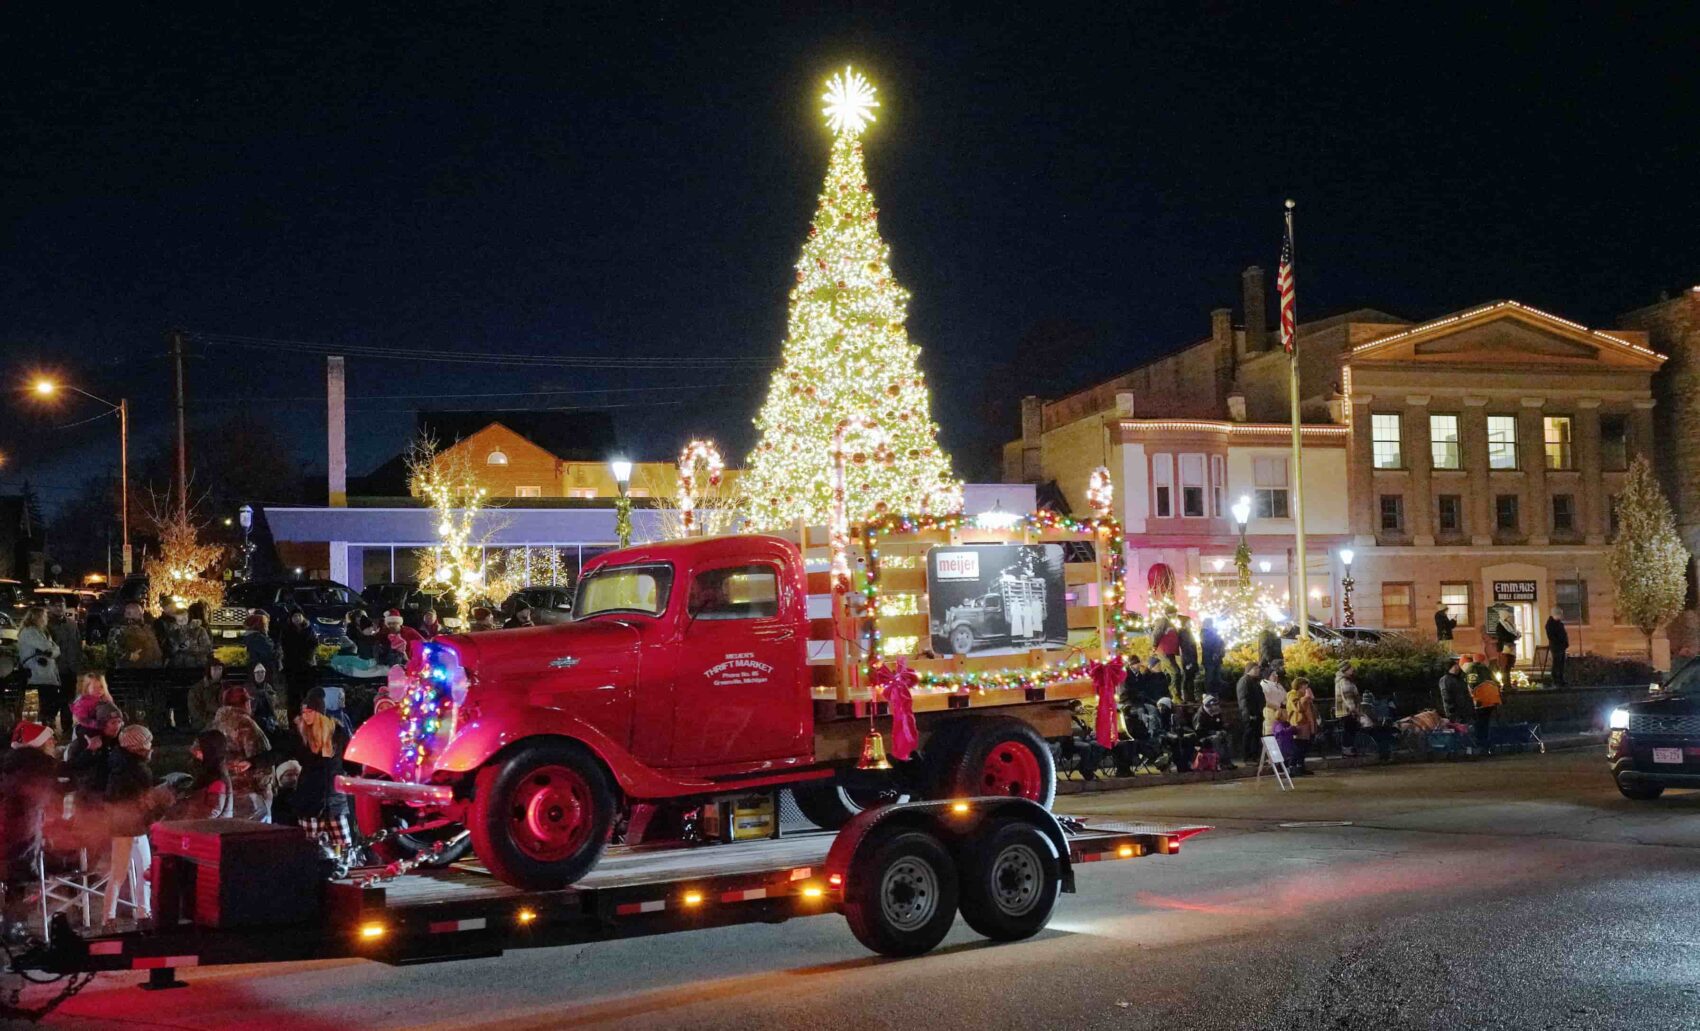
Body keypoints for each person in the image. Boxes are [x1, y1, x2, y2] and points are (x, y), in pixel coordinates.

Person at [103, 724, 169, 924]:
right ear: (138, 747)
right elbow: (145, 801)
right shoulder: (138, 770)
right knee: (131, 872)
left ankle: (125, 914)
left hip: (123, 827)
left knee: (125, 872)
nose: (151, 747)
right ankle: (117, 917)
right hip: (131, 827)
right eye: (148, 743)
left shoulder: (120, 765)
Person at [2, 721, 60, 938]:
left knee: (14, 878)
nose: (54, 742)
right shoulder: (42, 765)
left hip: (11, 824)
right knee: (23, 875)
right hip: (29, 824)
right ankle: (15, 927)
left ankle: (12, 925)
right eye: (50, 738)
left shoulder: (11, 763)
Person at [289, 688, 353, 855]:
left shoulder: (336, 732)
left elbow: (349, 760)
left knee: (343, 845)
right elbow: (281, 750)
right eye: (303, 711)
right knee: (311, 848)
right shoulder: (300, 734)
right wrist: (254, 762)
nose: (305, 715)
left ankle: (342, 870)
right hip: (310, 800)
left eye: (309, 711)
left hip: (334, 799)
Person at [172, 730, 236, 820]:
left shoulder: (218, 778)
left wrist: (186, 817)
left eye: (200, 747)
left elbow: (213, 810)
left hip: (213, 829)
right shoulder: (208, 771)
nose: (195, 751)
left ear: (210, 750)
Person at [17, 607, 62, 731]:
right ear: (37, 617)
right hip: (36, 676)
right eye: (44, 616)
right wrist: (52, 650)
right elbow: (48, 647)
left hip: (45, 676)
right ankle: (35, 732)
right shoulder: (29, 632)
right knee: (36, 708)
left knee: (49, 704)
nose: (46, 618)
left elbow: (56, 650)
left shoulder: (42, 632)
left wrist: (52, 650)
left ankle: (43, 729)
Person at [47, 599, 84, 732]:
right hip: (53, 669)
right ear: (49, 607)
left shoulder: (71, 624)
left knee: (68, 699)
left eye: (61, 605)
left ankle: (67, 728)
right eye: (55, 605)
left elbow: (78, 643)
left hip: (70, 667)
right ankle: (48, 725)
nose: (59, 608)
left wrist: (78, 660)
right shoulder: (46, 625)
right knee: (52, 700)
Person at [210, 685, 273, 761]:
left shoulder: (216, 722)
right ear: (244, 703)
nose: (250, 705)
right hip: (243, 771)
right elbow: (263, 757)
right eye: (249, 701)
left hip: (221, 770)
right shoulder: (246, 724)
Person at [279, 608, 319, 718]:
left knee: (308, 695)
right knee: (293, 696)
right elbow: (284, 646)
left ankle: (309, 718)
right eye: (294, 617)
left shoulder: (309, 630)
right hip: (292, 667)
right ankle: (293, 720)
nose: (296, 619)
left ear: (302, 617)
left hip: (307, 666)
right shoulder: (287, 630)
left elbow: (314, 645)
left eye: (298, 616)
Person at [1465, 653, 1503, 754]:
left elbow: (1472, 684)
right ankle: (1486, 745)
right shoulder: (1487, 669)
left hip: (1480, 701)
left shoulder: (1472, 669)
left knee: (1479, 724)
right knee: (1486, 723)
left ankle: (1480, 746)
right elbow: (1497, 683)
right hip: (1491, 701)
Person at [108, 601, 164, 668]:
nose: (140, 614)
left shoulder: (147, 627)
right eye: (136, 612)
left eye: (140, 612)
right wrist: (129, 656)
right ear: (127, 614)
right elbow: (111, 648)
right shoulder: (120, 629)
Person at [1192, 694, 1237, 770]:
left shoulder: (1216, 713)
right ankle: (1219, 762)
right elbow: (1199, 732)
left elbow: (1220, 725)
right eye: (1214, 705)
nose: (1216, 707)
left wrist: (1222, 730)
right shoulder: (1200, 715)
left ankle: (1227, 761)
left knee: (1227, 737)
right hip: (1203, 738)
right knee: (1216, 739)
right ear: (1208, 705)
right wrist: (1213, 733)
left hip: (1215, 734)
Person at [1285, 677, 1319, 776]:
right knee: (1299, 746)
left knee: (1305, 747)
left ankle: (1300, 766)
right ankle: (1292, 767)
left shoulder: (1304, 694)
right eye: (1304, 685)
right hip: (1299, 724)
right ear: (1299, 685)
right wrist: (1305, 698)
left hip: (1307, 724)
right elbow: (1298, 707)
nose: (1306, 687)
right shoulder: (1293, 694)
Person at [170, 602, 215, 670]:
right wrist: (176, 648)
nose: (182, 622)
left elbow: (207, 649)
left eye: (184, 619)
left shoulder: (200, 630)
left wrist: (190, 648)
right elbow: (168, 649)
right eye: (179, 620)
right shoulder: (173, 632)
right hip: (178, 667)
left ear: (189, 617)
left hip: (196, 666)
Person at [1235, 661, 1265, 764]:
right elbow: (1243, 699)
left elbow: (1260, 697)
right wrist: (1248, 714)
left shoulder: (1255, 682)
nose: (1257, 671)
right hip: (1250, 715)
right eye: (1255, 669)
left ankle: (1255, 756)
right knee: (1249, 735)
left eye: (1258, 669)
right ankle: (1248, 757)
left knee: (1257, 736)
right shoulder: (1244, 681)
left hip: (1257, 713)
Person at [188, 659, 228, 729]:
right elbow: (195, 711)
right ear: (209, 670)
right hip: (203, 723)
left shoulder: (226, 687)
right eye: (214, 669)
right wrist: (212, 720)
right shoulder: (197, 689)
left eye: (220, 669)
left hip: (223, 722)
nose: (217, 672)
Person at [1334, 662, 1363, 756]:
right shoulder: (1344, 681)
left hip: (1344, 710)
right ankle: (1347, 749)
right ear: (1345, 670)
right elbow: (1348, 697)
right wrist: (1354, 709)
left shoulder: (1344, 680)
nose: (1352, 670)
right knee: (1349, 729)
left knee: (1349, 729)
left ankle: (1348, 748)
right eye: (1350, 668)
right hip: (1347, 710)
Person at [1152, 615, 1183, 702]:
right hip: (1164, 651)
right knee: (1175, 672)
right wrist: (1154, 646)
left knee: (1170, 673)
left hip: (1169, 652)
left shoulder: (1169, 623)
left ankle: (1170, 695)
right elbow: (1156, 634)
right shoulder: (1163, 621)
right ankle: (1175, 696)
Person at [242, 610, 278, 679]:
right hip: (261, 672)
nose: (267, 625)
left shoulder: (249, 636)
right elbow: (270, 653)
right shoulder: (258, 638)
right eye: (266, 622)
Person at [1439, 656, 1474, 724]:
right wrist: (1453, 713)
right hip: (1456, 714)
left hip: (1467, 712)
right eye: (1455, 666)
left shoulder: (1460, 679)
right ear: (1450, 668)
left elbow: (1466, 693)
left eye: (1457, 666)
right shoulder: (1445, 680)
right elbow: (1446, 696)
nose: (1457, 668)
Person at [1177, 616, 1200, 704]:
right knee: (1188, 678)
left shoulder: (1187, 632)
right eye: (1189, 622)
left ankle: (1190, 697)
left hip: (1191, 659)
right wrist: (1189, 662)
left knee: (1190, 678)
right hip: (1188, 659)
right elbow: (1185, 648)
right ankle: (1188, 697)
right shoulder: (1183, 633)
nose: (1191, 624)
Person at [1200, 618, 1225, 700]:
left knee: (1217, 677)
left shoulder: (1213, 633)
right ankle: (1210, 694)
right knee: (1210, 677)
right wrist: (1215, 652)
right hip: (1209, 659)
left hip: (1216, 658)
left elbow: (1220, 642)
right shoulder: (1204, 633)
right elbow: (1208, 644)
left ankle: (1216, 694)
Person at [1545, 609, 1570, 687]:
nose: (1561, 616)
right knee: (1557, 663)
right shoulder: (1550, 624)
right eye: (1560, 615)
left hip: (1561, 646)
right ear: (1555, 615)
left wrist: (1565, 643)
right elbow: (1552, 637)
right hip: (1556, 646)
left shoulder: (1559, 623)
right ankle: (1556, 679)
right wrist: (1560, 642)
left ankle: (1561, 679)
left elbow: (1564, 634)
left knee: (1561, 663)